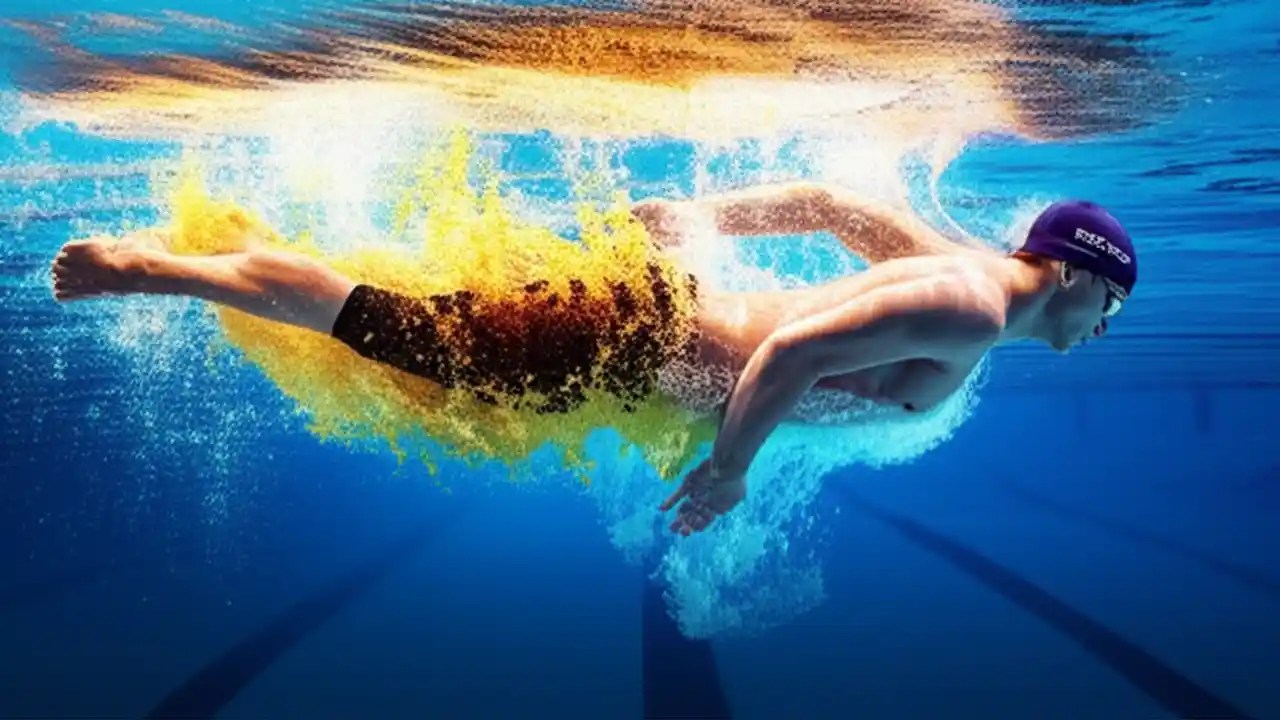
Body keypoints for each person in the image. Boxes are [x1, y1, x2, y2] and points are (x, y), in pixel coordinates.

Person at [50, 182, 1137, 536]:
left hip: (655, 328)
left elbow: (829, 206)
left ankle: (181, 268)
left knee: (410, 342)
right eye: (1113, 311)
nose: (1102, 334)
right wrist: (729, 470)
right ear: (1083, 275)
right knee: (388, 327)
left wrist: (705, 214)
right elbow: (794, 354)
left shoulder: (966, 280)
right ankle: (152, 269)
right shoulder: (965, 310)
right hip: (634, 342)